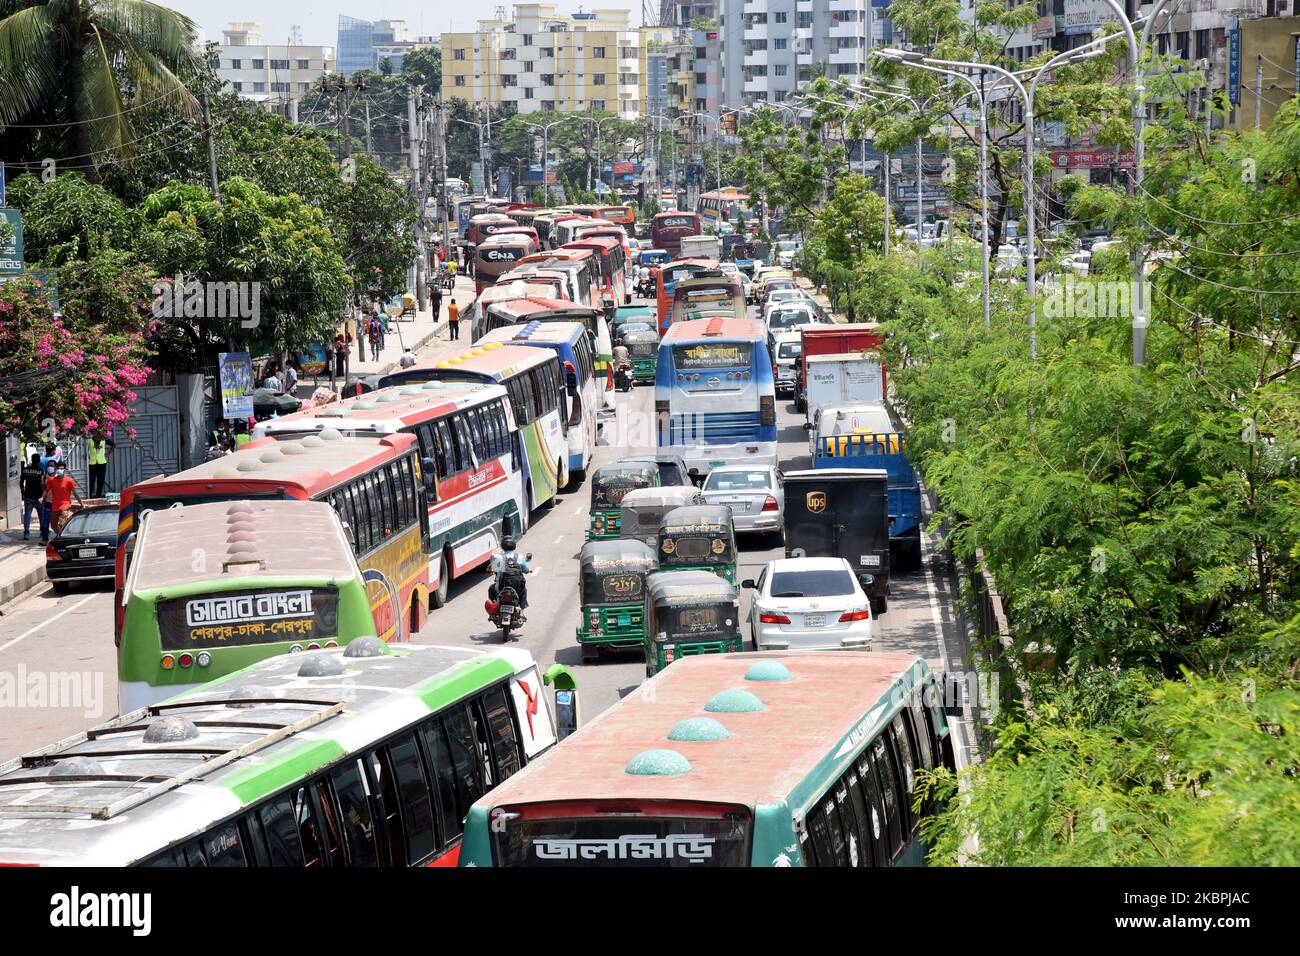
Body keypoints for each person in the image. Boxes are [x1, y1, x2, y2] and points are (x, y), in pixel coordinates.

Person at [489, 535, 530, 609]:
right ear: (514, 545)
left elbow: (493, 569)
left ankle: (495, 607)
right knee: (524, 591)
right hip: (518, 587)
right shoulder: (519, 557)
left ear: (502, 546)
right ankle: (521, 611)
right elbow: (526, 570)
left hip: (501, 588)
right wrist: (527, 571)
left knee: (491, 589)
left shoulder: (497, 557)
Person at [46, 463, 83, 535]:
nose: (60, 470)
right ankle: (61, 535)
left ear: (65, 470)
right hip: (55, 505)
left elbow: (75, 493)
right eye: (58, 468)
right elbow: (46, 490)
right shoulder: (51, 480)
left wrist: (81, 503)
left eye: (62, 468)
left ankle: (63, 536)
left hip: (65, 504)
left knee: (62, 523)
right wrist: (42, 497)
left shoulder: (69, 481)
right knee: (53, 525)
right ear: (56, 469)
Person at [20, 452, 48, 543]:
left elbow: (21, 481)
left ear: (32, 460)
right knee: (41, 515)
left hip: (28, 495)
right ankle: (42, 532)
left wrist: (23, 491)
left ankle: (26, 533)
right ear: (39, 461)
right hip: (38, 495)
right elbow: (43, 484)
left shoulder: (25, 470)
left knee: (27, 515)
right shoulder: (40, 471)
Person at [86, 431, 114, 498]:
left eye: (98, 433)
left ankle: (98, 496)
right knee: (91, 481)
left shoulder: (104, 440)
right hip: (92, 463)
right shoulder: (89, 440)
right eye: (95, 433)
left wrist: (108, 454)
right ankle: (89, 496)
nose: (96, 434)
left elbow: (114, 445)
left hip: (102, 463)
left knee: (100, 481)